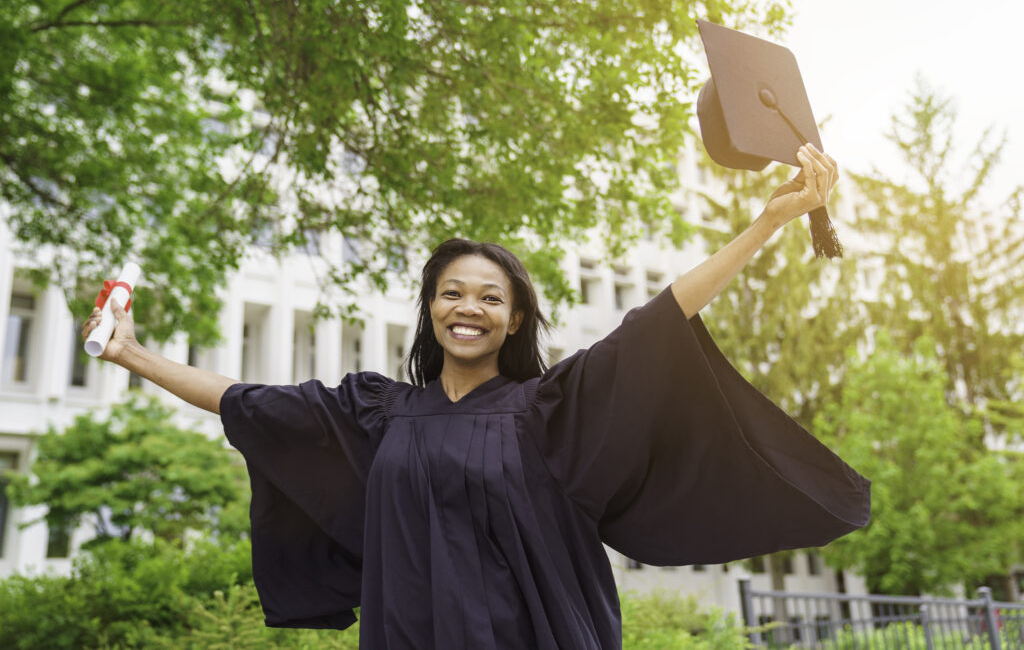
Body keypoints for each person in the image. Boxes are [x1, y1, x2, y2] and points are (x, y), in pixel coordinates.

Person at [82, 143, 869, 649]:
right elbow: (246, 401)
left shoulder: (549, 411)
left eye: (489, 296)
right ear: (430, 308)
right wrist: (130, 352)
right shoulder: (376, 413)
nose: (468, 306)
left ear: (516, 316)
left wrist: (766, 221)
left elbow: (658, 319)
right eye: (451, 292)